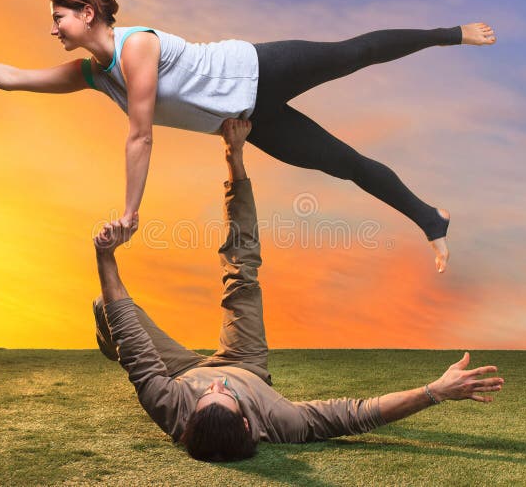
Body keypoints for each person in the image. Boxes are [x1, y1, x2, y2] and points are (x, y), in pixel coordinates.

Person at [0, 0, 497, 272]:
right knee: (343, 164)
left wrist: (130, 214)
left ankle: (453, 34)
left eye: (59, 17)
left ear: (87, 11)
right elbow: (11, 77)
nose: (53, 29)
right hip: (248, 119)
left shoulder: (135, 49)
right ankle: (430, 218)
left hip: (261, 67)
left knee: (351, 52)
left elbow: (140, 133)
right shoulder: (92, 73)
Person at [91, 118, 503, 462]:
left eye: (207, 396)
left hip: (180, 373)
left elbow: (131, 329)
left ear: (187, 420)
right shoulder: (281, 422)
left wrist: (106, 254)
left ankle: (232, 158)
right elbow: (356, 416)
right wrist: (435, 392)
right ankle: (236, 160)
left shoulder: (168, 404)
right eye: (225, 395)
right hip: (246, 362)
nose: (216, 386)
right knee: (243, 275)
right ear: (250, 424)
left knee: (109, 310)